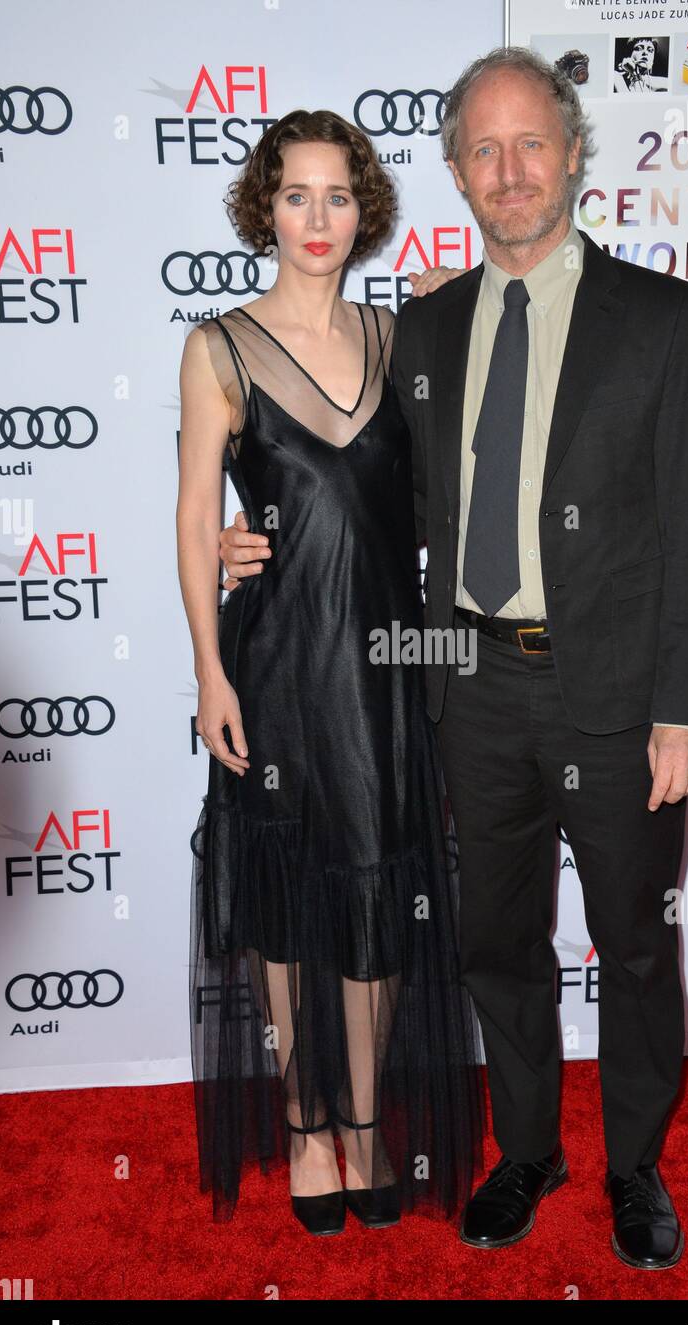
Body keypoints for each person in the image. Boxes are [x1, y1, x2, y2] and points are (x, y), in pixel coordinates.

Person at [220, 46, 688, 1269]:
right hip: (467, 686)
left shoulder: (662, 317)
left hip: (614, 698)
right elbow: (343, 476)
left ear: (569, 152)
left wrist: (682, 706)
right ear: (454, 170)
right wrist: (255, 538)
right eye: (482, 150)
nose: (510, 171)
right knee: (497, 944)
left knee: (634, 941)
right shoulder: (420, 332)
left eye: (530, 143)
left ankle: (634, 1164)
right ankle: (527, 1152)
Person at [175, 107, 485, 1232]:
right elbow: (189, 513)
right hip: (274, 659)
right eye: (295, 194)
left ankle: (364, 1121)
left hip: (385, 662)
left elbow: (449, 491)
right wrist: (210, 667)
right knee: (283, 906)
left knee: (381, 892)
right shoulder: (216, 347)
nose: (317, 216)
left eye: (338, 194)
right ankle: (305, 1125)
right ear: (265, 207)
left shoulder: (402, 340)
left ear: (366, 211)